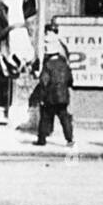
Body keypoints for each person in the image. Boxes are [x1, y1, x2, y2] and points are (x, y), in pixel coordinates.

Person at [35, 19, 74, 147]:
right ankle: (69, 139)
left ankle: (42, 140)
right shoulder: (64, 65)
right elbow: (70, 80)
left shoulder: (48, 65)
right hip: (63, 97)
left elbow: (44, 81)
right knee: (64, 118)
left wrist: (41, 96)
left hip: (50, 97)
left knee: (45, 117)